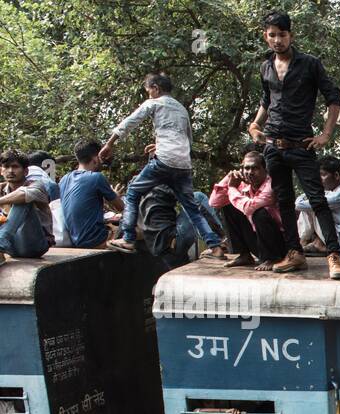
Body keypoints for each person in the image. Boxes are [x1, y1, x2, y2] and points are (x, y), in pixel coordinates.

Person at [247, 10, 340, 279]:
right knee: (284, 200)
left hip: (302, 144)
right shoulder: (266, 66)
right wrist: (255, 124)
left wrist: (326, 134)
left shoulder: (309, 64)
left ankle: (334, 255)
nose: (277, 40)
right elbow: (267, 100)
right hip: (272, 145)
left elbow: (334, 97)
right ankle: (294, 253)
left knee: (317, 200)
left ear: (291, 35)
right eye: (272, 35)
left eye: (282, 34)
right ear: (265, 36)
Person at [101, 73, 225, 256]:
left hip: (164, 161)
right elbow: (187, 140)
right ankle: (215, 246)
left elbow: (130, 122)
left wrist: (109, 144)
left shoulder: (154, 103)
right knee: (192, 208)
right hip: (183, 163)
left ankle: (127, 238)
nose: (148, 94)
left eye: (148, 91)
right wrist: (160, 145)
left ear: (155, 88)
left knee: (134, 191)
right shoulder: (182, 109)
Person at [208, 150, 285, 270]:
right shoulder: (243, 184)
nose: (250, 172)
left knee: (259, 213)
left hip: (279, 245)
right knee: (228, 205)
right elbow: (214, 202)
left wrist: (232, 187)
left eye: (255, 168)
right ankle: (244, 255)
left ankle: (272, 258)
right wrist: (228, 179)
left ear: (265, 169)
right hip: (258, 241)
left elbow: (249, 208)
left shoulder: (271, 185)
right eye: (246, 168)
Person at [57, 140, 123, 249]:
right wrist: (116, 195)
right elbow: (122, 207)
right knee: (140, 231)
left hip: (76, 240)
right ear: (96, 159)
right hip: (96, 240)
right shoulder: (96, 177)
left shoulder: (64, 179)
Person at [0, 150, 52, 263]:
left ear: (26, 171)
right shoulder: (1, 188)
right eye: (6, 167)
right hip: (11, 247)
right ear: (1, 170)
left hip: (35, 246)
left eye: (15, 167)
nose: (10, 171)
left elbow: (23, 195)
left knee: (24, 197)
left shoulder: (37, 185)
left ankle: (1, 240)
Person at [296, 155, 340, 254]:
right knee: (312, 205)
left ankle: (304, 242)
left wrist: (310, 191)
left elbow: (298, 204)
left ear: (336, 175)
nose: (319, 179)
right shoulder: (330, 191)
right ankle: (311, 242)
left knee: (314, 206)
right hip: (334, 235)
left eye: (323, 175)